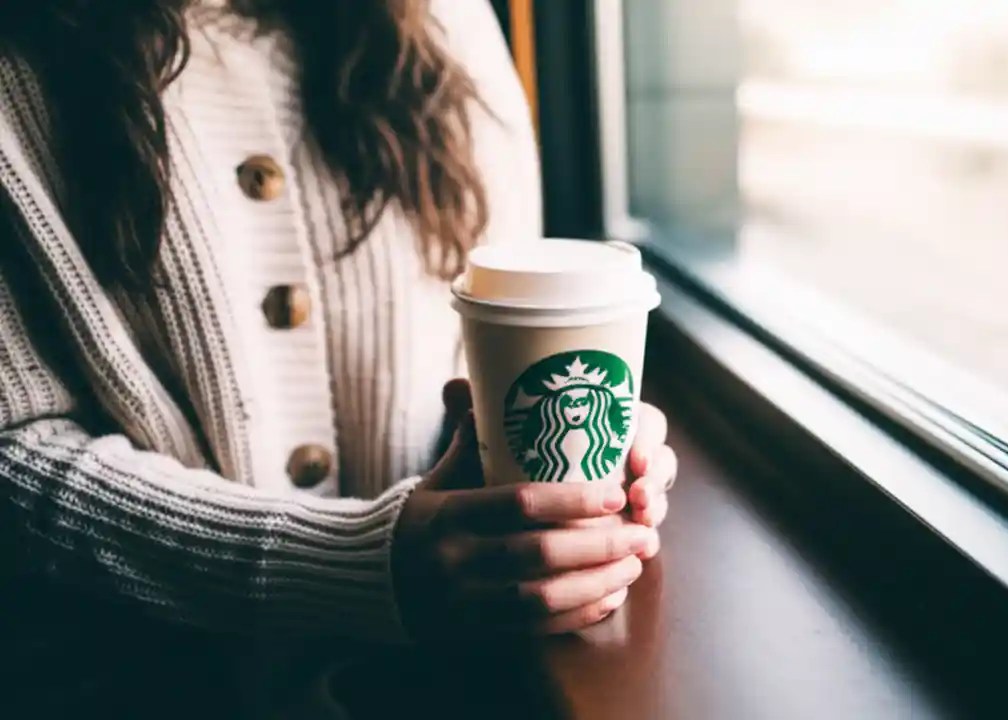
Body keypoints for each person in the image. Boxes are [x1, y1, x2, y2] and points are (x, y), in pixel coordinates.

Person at [0, 0, 676, 710]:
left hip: (444, 680)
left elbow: (486, 326)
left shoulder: (444, 19)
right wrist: (355, 566)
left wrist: (554, 449)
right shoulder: (25, 52)